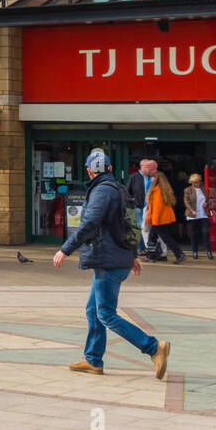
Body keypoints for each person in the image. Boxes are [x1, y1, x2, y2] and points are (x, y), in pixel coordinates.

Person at [54, 148, 170, 379]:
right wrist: (133, 255)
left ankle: (153, 347)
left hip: (108, 262)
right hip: (117, 259)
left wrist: (65, 249)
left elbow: (89, 224)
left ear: (89, 171)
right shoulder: (117, 189)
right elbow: (126, 226)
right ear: (108, 169)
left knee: (105, 313)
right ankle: (93, 360)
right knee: (93, 310)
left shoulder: (101, 192)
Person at [125, 158, 165, 261]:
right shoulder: (134, 177)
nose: (150, 170)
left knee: (150, 230)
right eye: (148, 167)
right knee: (141, 228)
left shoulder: (154, 178)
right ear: (142, 167)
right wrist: (131, 203)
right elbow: (127, 192)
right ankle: (142, 249)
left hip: (151, 208)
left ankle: (152, 250)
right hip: (139, 208)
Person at [147, 167, 186, 264]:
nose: (151, 179)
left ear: (156, 179)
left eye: (152, 178)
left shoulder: (157, 191)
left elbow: (157, 208)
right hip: (163, 219)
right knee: (162, 236)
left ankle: (177, 254)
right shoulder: (164, 190)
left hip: (158, 219)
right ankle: (156, 256)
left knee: (154, 237)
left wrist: (154, 222)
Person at [185, 173, 213, 260]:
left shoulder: (203, 189)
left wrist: (206, 203)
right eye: (193, 182)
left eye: (196, 182)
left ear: (199, 182)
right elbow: (186, 202)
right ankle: (195, 251)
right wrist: (192, 210)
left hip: (203, 214)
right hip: (193, 215)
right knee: (194, 234)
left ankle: (208, 251)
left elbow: (207, 200)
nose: (195, 184)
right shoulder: (188, 190)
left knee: (205, 232)